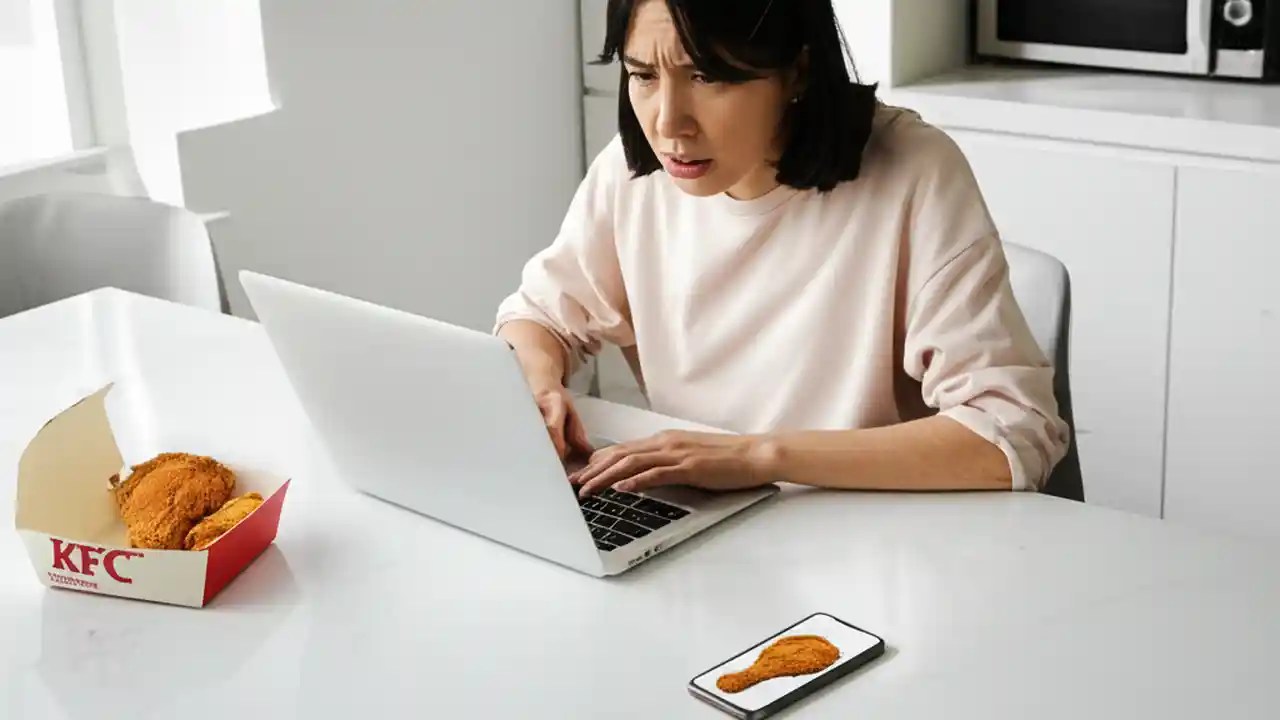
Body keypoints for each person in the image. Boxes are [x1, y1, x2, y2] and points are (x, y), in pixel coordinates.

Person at [494, 0, 1070, 498]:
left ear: (797, 70)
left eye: (707, 77)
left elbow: (1011, 429)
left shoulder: (914, 172)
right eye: (643, 75)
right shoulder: (631, 173)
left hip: (878, 536)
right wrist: (540, 384)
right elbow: (537, 318)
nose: (669, 123)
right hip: (712, 527)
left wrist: (757, 459)